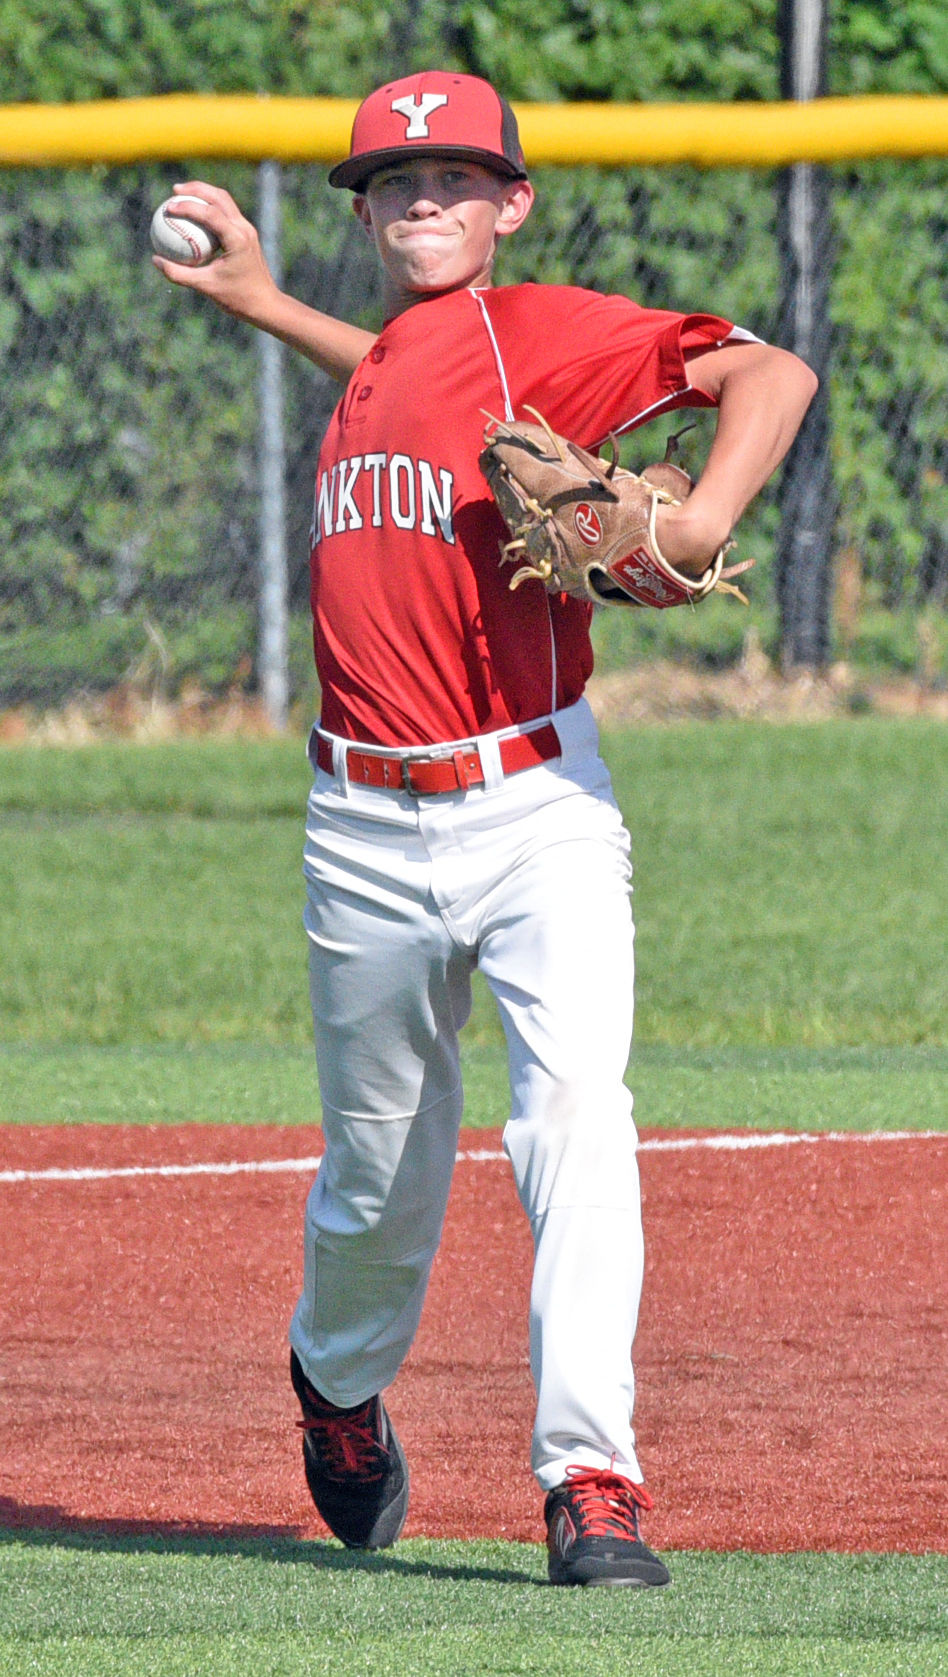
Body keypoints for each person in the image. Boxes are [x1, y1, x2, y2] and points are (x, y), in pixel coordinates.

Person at [154, 70, 817, 1587]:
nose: (421, 201)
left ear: (512, 201)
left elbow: (772, 375)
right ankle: (337, 1381)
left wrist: (703, 522)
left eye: (454, 178)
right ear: (369, 210)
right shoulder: (395, 354)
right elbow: (400, 379)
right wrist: (260, 300)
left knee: (578, 1112)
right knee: (380, 1181)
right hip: (360, 828)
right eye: (392, 184)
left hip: (535, 807)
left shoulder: (552, 332)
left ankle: (593, 1475)